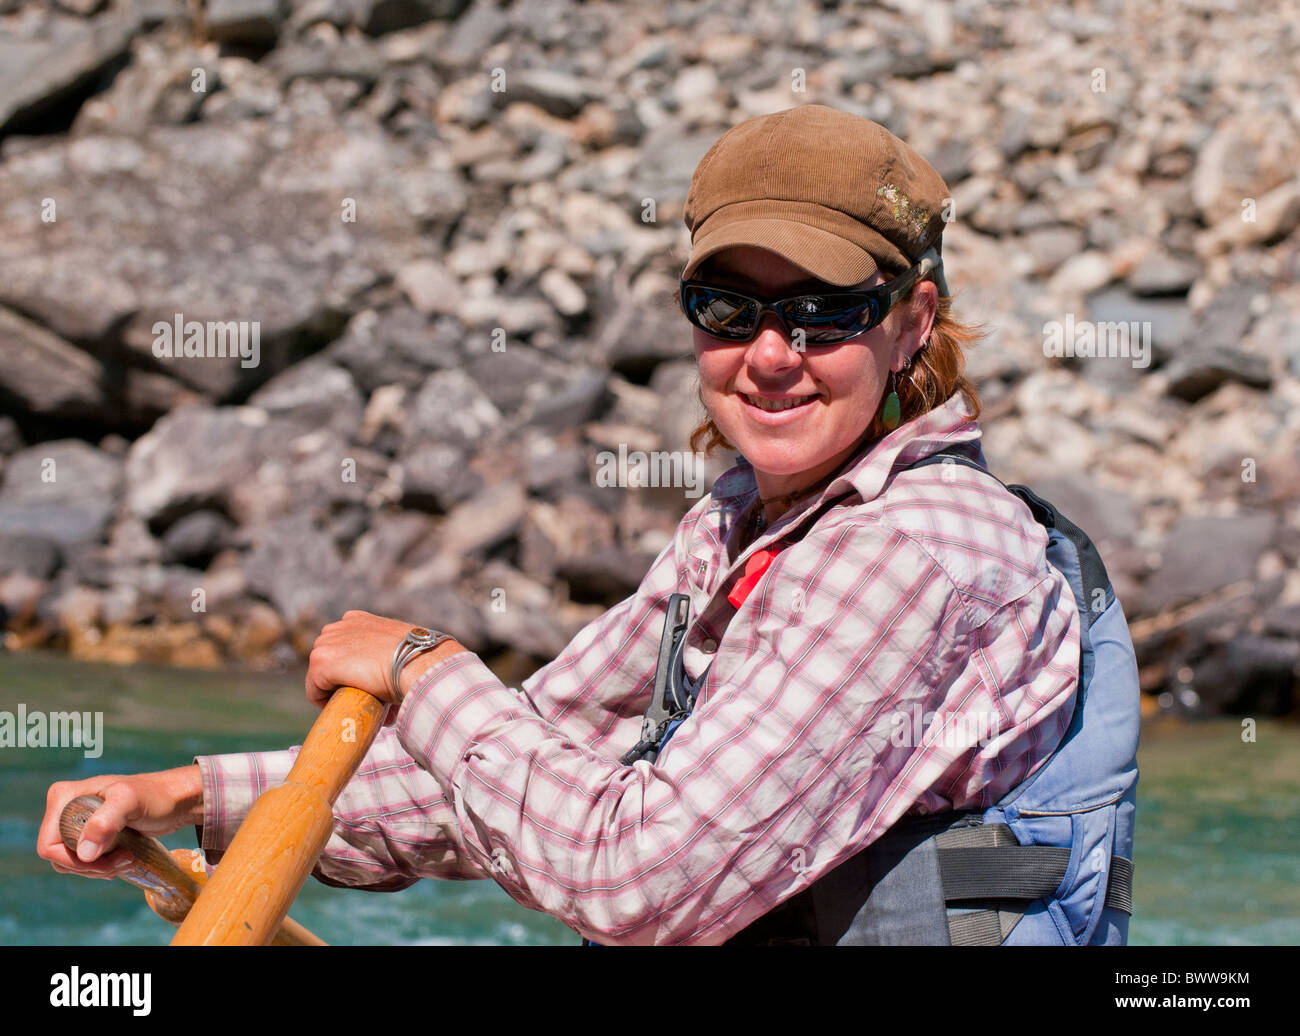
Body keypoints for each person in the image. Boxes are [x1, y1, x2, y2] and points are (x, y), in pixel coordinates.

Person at [38, 104, 1137, 945]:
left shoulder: (915, 553)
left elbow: (637, 882)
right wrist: (182, 795)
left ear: (912, 326)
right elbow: (520, 765)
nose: (768, 353)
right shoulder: (744, 522)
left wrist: (425, 668)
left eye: (823, 313)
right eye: (730, 308)